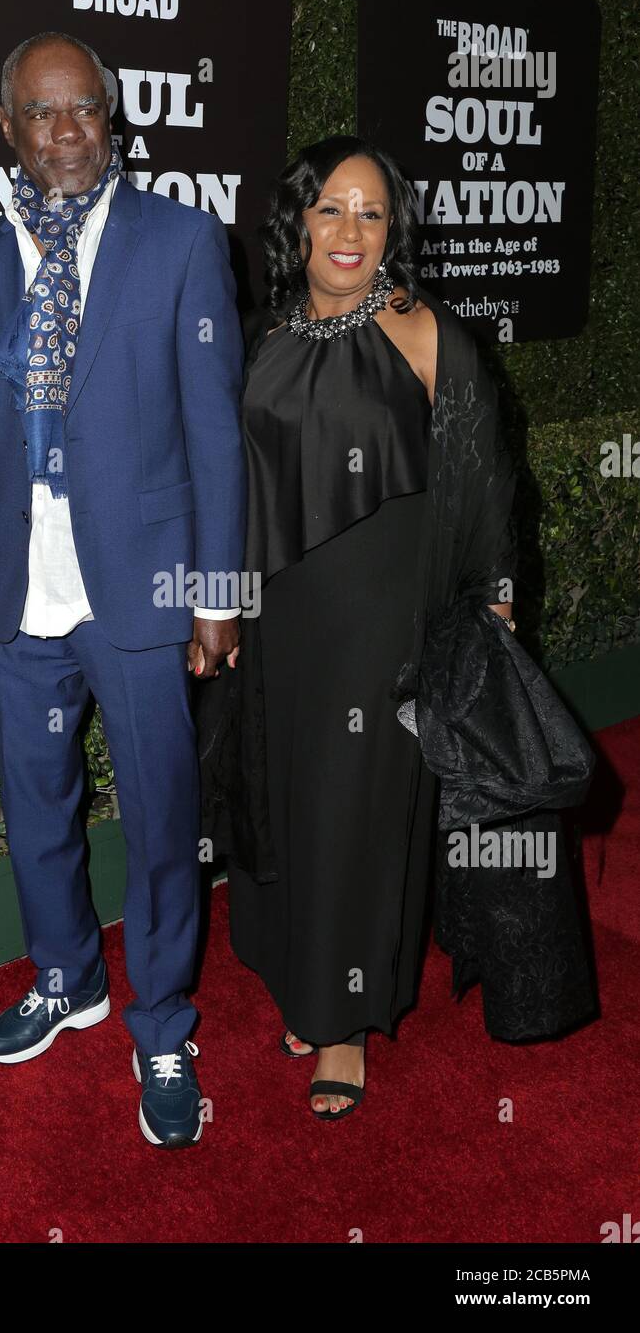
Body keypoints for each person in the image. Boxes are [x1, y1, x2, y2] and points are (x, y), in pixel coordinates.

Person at [0, 31, 246, 1148]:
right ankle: (67, 978)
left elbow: (216, 434)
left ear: (109, 121)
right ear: (8, 128)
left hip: (145, 589)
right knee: (37, 814)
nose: (66, 135)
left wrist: (217, 591)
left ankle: (161, 1018)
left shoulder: (179, 242)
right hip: (24, 596)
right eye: (42, 114)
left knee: (164, 821)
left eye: (84, 113)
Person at [197, 134, 517, 1118]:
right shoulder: (264, 331)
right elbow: (231, 481)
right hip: (277, 612)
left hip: (381, 620)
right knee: (282, 791)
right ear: (298, 218)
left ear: (393, 230)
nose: (347, 231)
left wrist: (493, 608)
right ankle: (293, 966)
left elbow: (487, 484)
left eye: (369, 212)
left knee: (351, 810)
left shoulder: (425, 332)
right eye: (328, 207)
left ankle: (341, 1027)